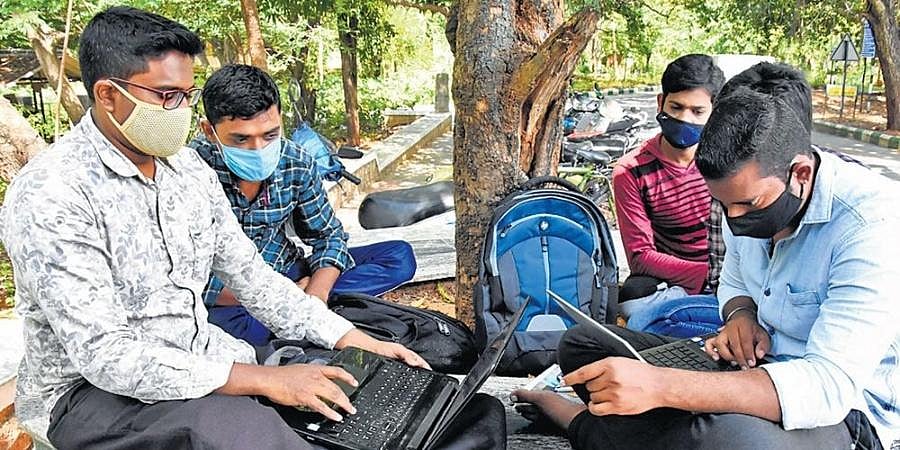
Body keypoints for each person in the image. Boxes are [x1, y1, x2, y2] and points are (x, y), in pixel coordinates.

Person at [0, 7, 440, 449]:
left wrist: (351, 337)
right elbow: (106, 355)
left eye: (187, 95)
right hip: (90, 395)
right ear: (108, 95)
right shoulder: (52, 193)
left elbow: (254, 278)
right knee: (252, 434)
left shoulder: (186, 171)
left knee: (371, 398)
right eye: (167, 96)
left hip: (202, 356)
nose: (182, 111)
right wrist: (265, 381)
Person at [513, 65, 899, 449]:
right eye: (724, 205)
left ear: (799, 173)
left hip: (845, 408)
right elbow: (733, 279)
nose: (733, 219)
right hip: (753, 366)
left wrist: (666, 387)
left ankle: (578, 421)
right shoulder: (742, 193)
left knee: (718, 437)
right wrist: (740, 315)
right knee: (583, 346)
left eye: (748, 205)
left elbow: (828, 387)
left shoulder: (870, 224)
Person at [188, 64, 417, 346]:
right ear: (209, 131)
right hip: (229, 295)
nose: (259, 150)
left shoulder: (294, 162)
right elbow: (181, 278)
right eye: (241, 139)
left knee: (398, 256)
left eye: (270, 135)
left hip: (290, 270)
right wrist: (280, 298)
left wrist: (314, 297)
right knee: (236, 333)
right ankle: (316, 318)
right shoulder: (189, 175)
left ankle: (310, 316)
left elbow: (328, 236)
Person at [611, 54, 725, 337]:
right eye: (676, 107)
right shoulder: (631, 171)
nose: (685, 119)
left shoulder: (729, 161)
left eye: (698, 112)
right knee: (634, 309)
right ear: (660, 103)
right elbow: (640, 257)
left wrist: (732, 280)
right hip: (673, 287)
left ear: (715, 111)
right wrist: (706, 275)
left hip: (736, 280)